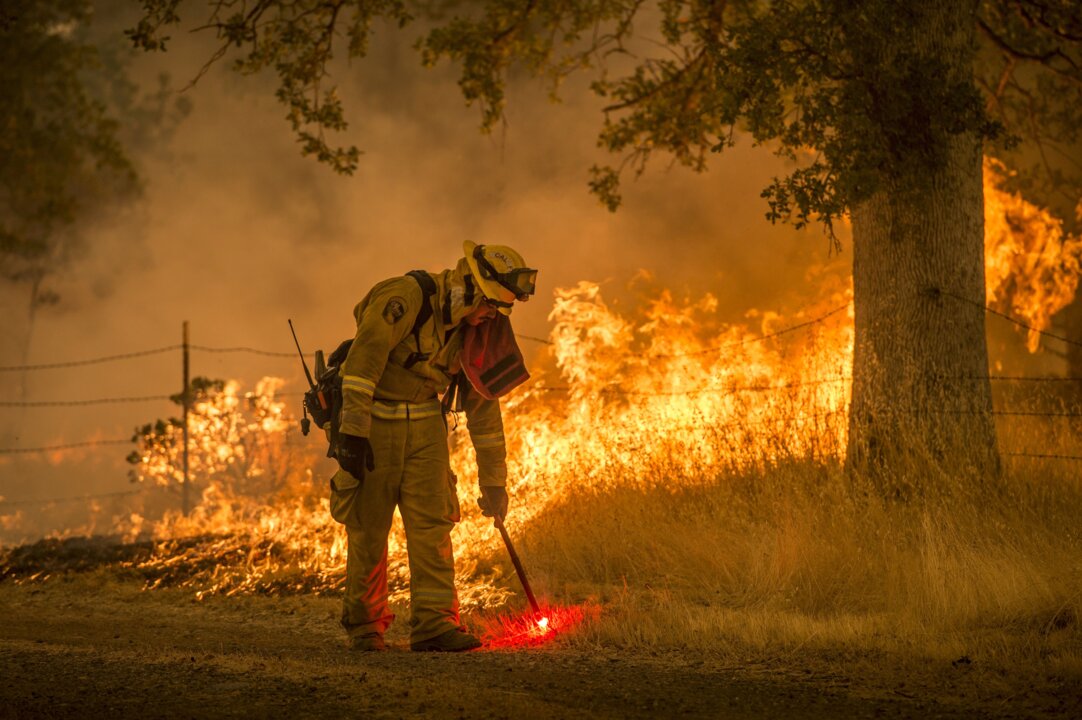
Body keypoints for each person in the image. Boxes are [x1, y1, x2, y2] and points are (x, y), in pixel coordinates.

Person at [328, 241, 537, 652]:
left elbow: (484, 408)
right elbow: (362, 364)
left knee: (434, 527)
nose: (491, 316)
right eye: (490, 305)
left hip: (426, 428)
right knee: (369, 529)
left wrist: (494, 482)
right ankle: (367, 627)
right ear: (469, 288)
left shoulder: (478, 327)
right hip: (375, 424)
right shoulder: (402, 298)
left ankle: (435, 625)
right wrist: (352, 433)